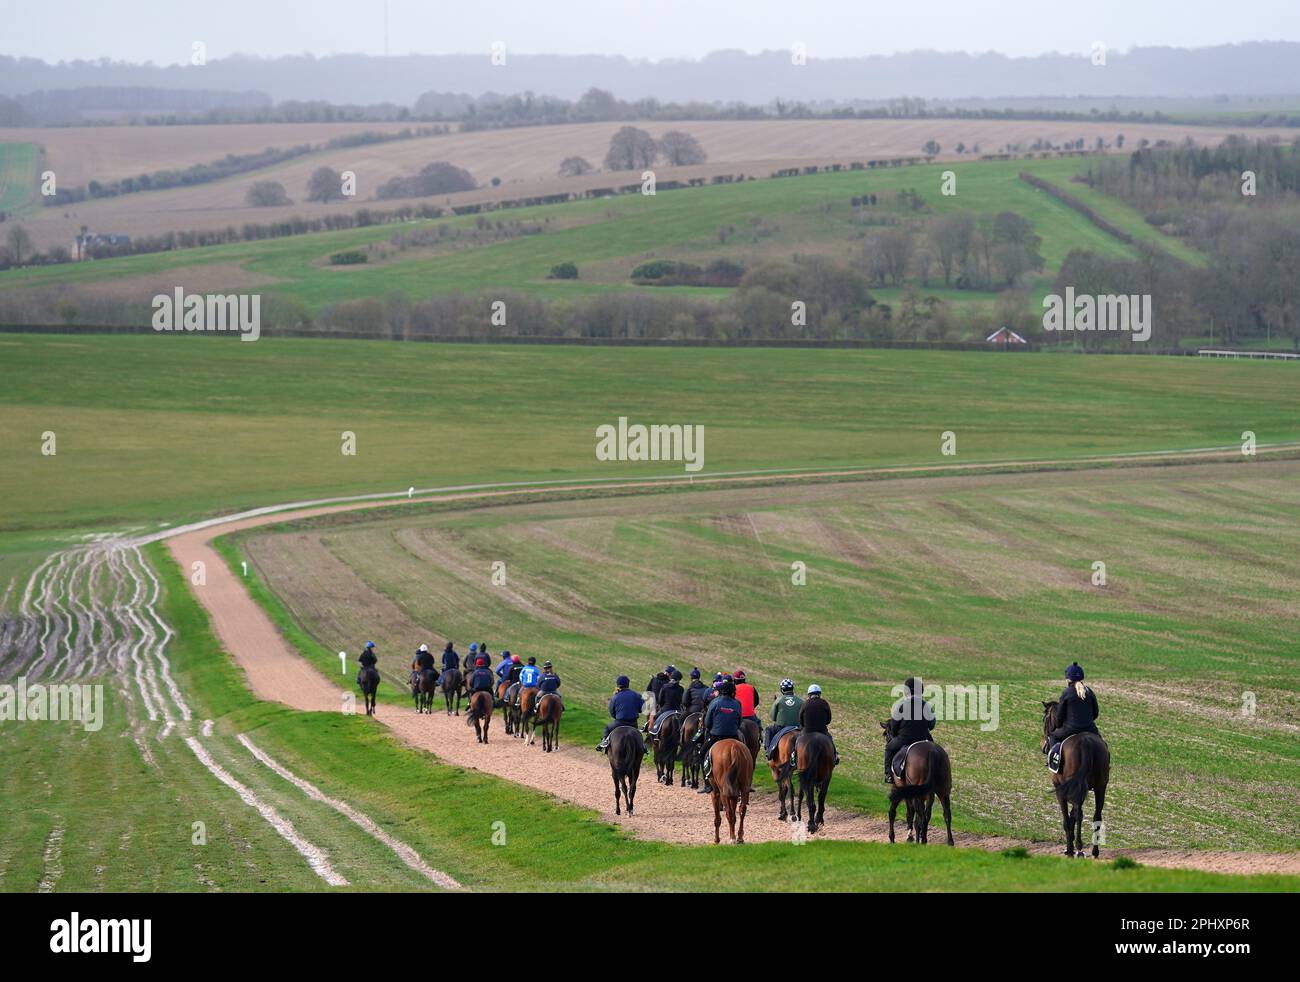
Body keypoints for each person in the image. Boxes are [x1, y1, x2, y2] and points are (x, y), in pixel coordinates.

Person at [883, 677, 933, 781]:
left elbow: (894, 726)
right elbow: (932, 725)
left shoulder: (901, 705)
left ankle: (889, 775)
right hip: (923, 740)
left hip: (904, 740)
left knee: (889, 748)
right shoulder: (927, 706)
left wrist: (895, 734)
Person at [697, 680, 743, 793]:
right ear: (733, 692)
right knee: (744, 755)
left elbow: (707, 722)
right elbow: (739, 722)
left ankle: (707, 783)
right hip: (733, 736)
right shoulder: (737, 703)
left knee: (702, 753)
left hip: (716, 736)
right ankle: (743, 782)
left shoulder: (714, 702)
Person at [1047, 663, 1101, 750]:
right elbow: (1096, 713)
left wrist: (1059, 725)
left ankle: (1053, 758)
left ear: (1068, 680)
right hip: (1090, 729)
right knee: (1102, 743)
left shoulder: (1067, 693)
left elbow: (1059, 717)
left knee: (1053, 737)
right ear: (1082, 678)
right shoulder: (1090, 692)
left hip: (1070, 730)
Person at [597, 676, 645, 753]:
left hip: (619, 723)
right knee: (639, 736)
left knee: (607, 728)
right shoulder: (637, 695)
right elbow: (642, 709)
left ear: (618, 685)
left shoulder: (615, 697)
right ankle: (644, 747)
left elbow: (612, 713)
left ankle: (603, 743)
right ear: (628, 684)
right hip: (633, 724)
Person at [800, 684, 839, 765]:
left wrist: (804, 726)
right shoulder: (824, 703)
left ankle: (793, 755)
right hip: (822, 731)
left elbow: (801, 720)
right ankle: (835, 756)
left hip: (807, 731)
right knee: (830, 740)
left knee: (798, 740)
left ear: (809, 694)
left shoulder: (805, 704)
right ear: (819, 694)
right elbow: (829, 719)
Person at [764, 678, 803, 759]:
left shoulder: (778, 700)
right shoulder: (800, 701)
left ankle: (768, 750)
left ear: (782, 690)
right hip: (797, 727)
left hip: (781, 727)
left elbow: (773, 717)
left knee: (769, 729)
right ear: (792, 688)